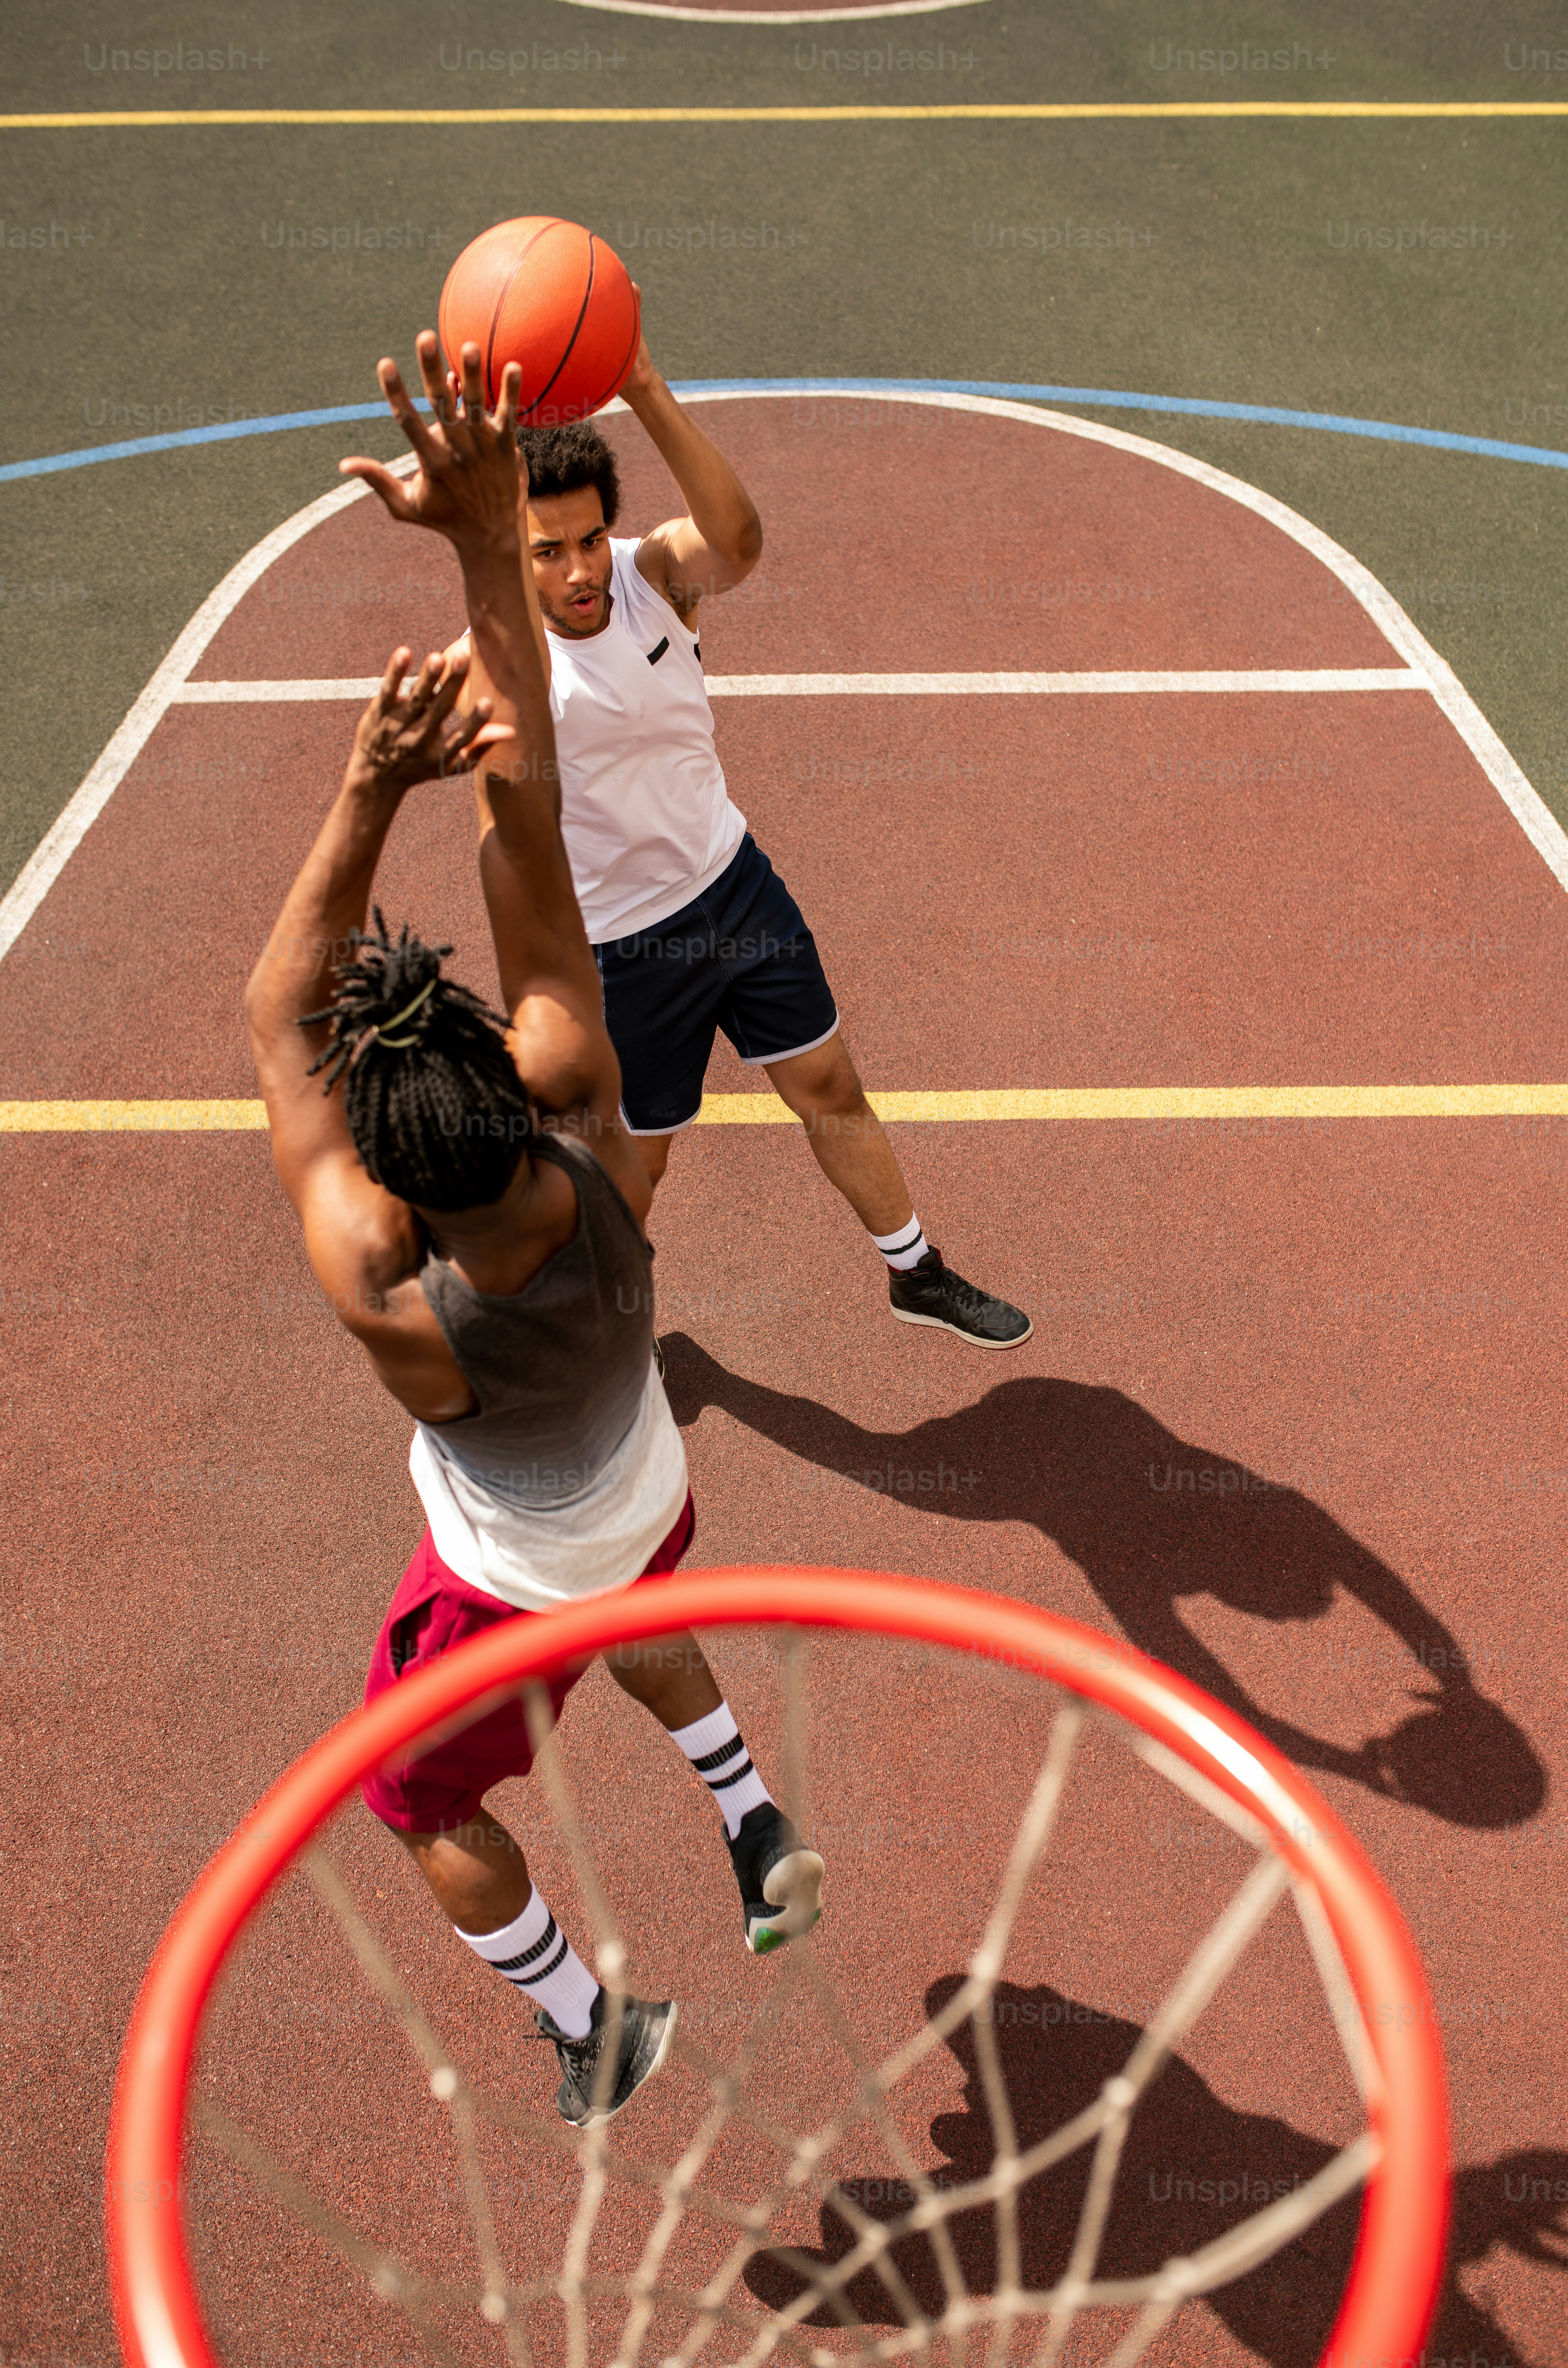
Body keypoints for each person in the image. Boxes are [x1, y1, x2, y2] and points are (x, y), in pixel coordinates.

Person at [246, 336, 824, 2132]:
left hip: (504, 1583)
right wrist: (486, 550)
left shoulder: (386, 1296)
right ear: (510, 1067)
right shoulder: (578, 1104)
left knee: (412, 1802)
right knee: (643, 1589)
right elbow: (523, 813)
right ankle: (749, 1812)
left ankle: (588, 2018)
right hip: (646, 1490)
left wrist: (357, 790)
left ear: (389, 1181)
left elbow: (276, 1025)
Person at [440, 317, 1032, 1352]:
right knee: (637, 1166)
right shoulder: (495, 662)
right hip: (622, 950)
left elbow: (743, 542)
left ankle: (915, 1270)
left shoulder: (654, 578)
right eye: (547, 551)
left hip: (733, 886)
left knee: (829, 1085)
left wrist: (648, 390)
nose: (578, 570)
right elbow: (502, 847)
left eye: (588, 540)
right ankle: (594, 1341)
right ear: (508, 549)